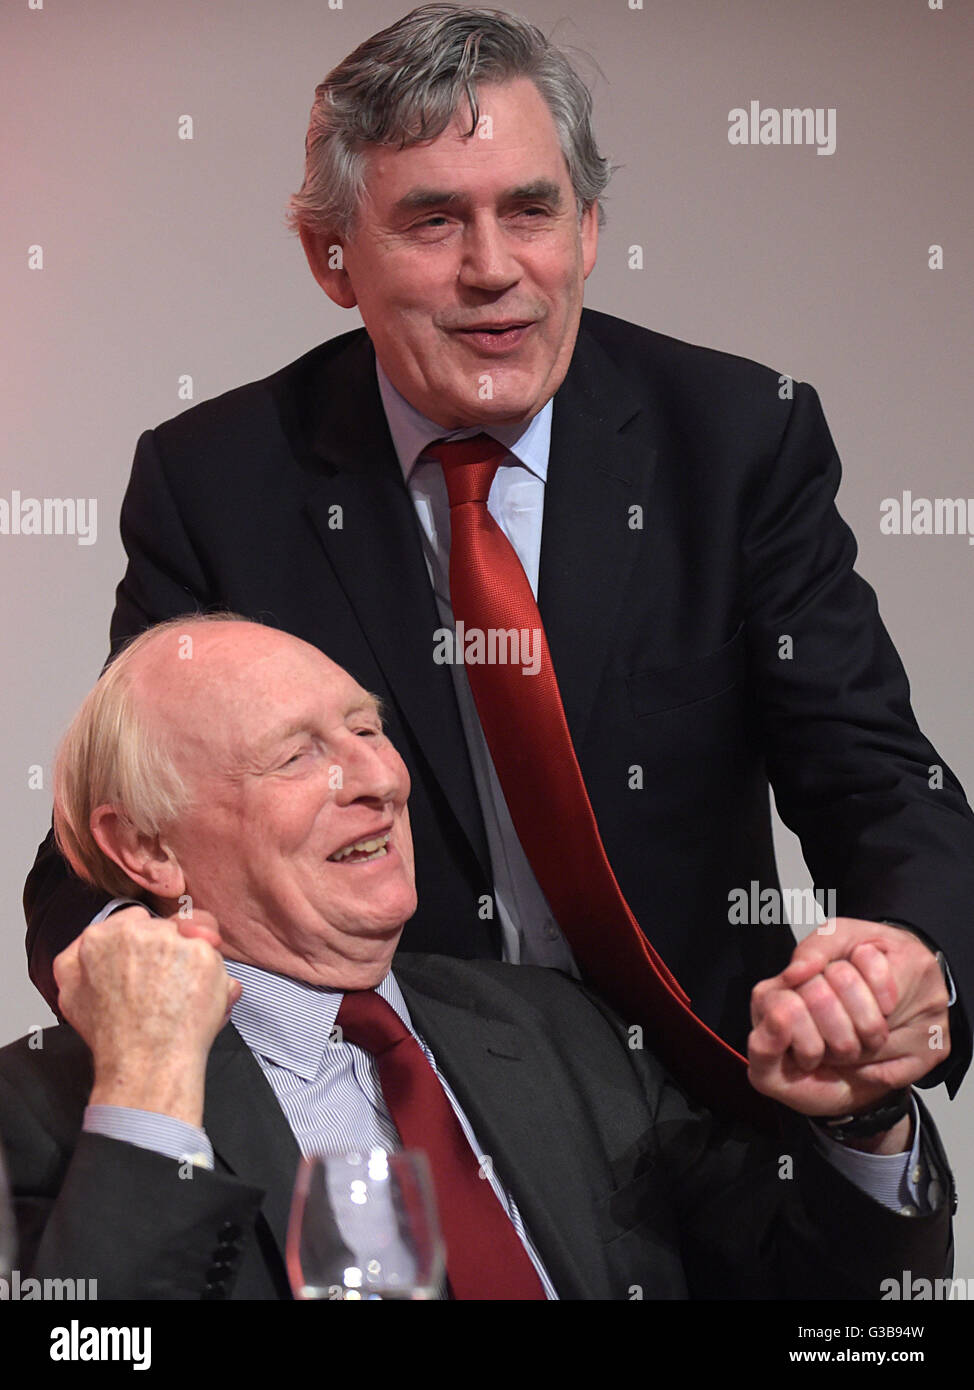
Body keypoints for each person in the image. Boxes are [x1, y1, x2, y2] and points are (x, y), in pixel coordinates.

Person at [23, 5, 974, 1098]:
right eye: (432, 222)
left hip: (720, 1105)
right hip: (409, 1120)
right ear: (330, 259)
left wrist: (915, 952)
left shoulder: (734, 437)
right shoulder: (219, 483)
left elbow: (877, 777)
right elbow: (109, 842)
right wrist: (147, 998)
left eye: (530, 210)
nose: (493, 269)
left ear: (586, 231)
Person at [0, 617, 955, 1300]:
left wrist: (862, 1119)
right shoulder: (39, 1113)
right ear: (147, 849)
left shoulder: (558, 1028)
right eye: (296, 757)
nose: (377, 779)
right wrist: (150, 1084)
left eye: (368, 730)